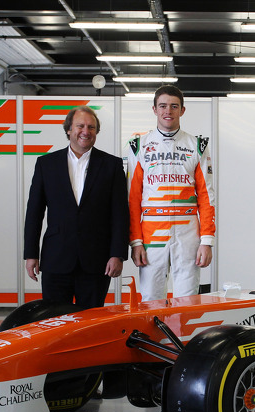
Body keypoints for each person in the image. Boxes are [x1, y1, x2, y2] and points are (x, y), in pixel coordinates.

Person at [23, 106, 129, 308]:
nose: (85, 131)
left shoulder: (112, 165)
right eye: (80, 126)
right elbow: (34, 213)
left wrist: (117, 254)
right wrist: (31, 254)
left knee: (89, 325)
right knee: (54, 321)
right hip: (56, 258)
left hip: (97, 261)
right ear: (69, 130)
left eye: (91, 127)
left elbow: (120, 214)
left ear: (96, 132)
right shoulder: (46, 164)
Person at [127, 85, 216, 301]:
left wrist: (207, 241)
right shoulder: (138, 146)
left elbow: (207, 197)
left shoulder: (197, 146)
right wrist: (136, 242)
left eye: (174, 106)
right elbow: (132, 198)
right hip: (151, 236)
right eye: (163, 106)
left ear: (182, 110)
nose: (168, 111)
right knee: (150, 299)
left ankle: (184, 337)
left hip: (188, 234)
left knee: (187, 300)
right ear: (155, 109)